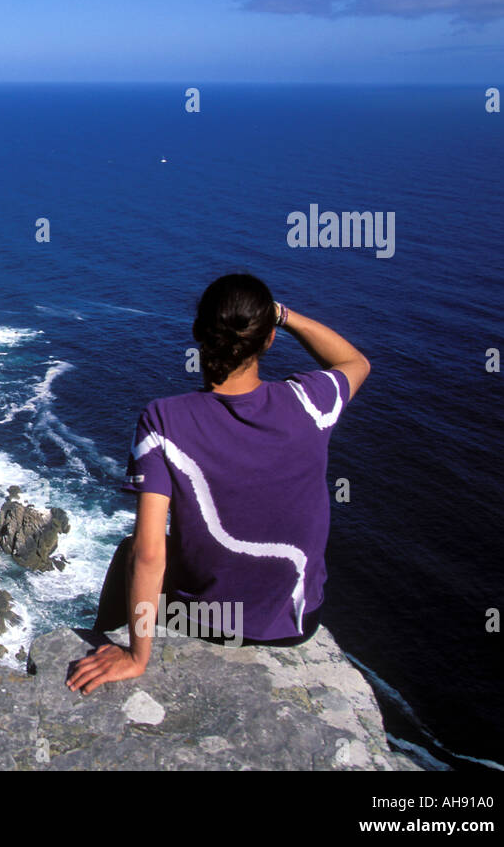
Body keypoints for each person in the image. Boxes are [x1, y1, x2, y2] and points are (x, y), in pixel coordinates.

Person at [66, 273, 370, 694]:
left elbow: (150, 552)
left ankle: (105, 644)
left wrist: (138, 656)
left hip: (203, 618)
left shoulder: (163, 420)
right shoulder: (310, 402)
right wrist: (283, 316)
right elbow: (356, 363)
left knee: (128, 552)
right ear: (268, 340)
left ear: (198, 334)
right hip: (293, 624)